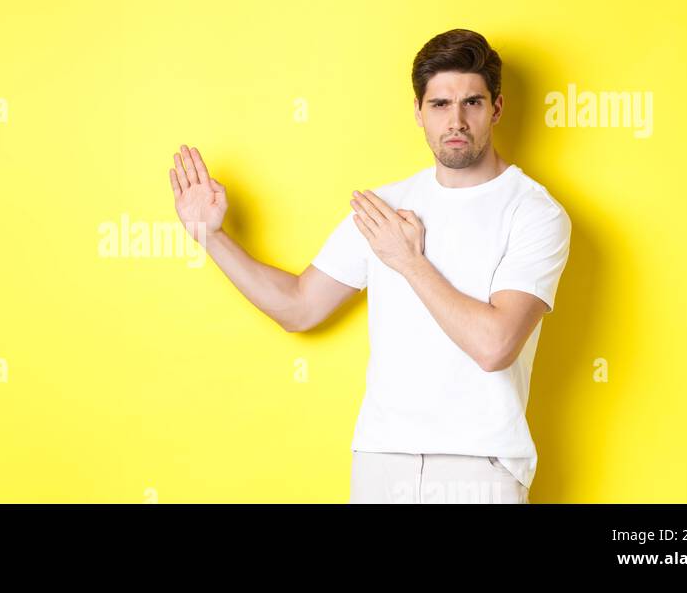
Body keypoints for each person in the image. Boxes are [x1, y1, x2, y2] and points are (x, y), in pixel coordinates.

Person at [166, 29, 570, 503]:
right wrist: (211, 237)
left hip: (480, 464)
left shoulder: (534, 212)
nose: (455, 120)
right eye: (440, 104)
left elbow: (494, 346)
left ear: (496, 108)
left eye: (472, 103)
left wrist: (408, 261)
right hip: (383, 461)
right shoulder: (384, 207)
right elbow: (298, 307)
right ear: (418, 112)